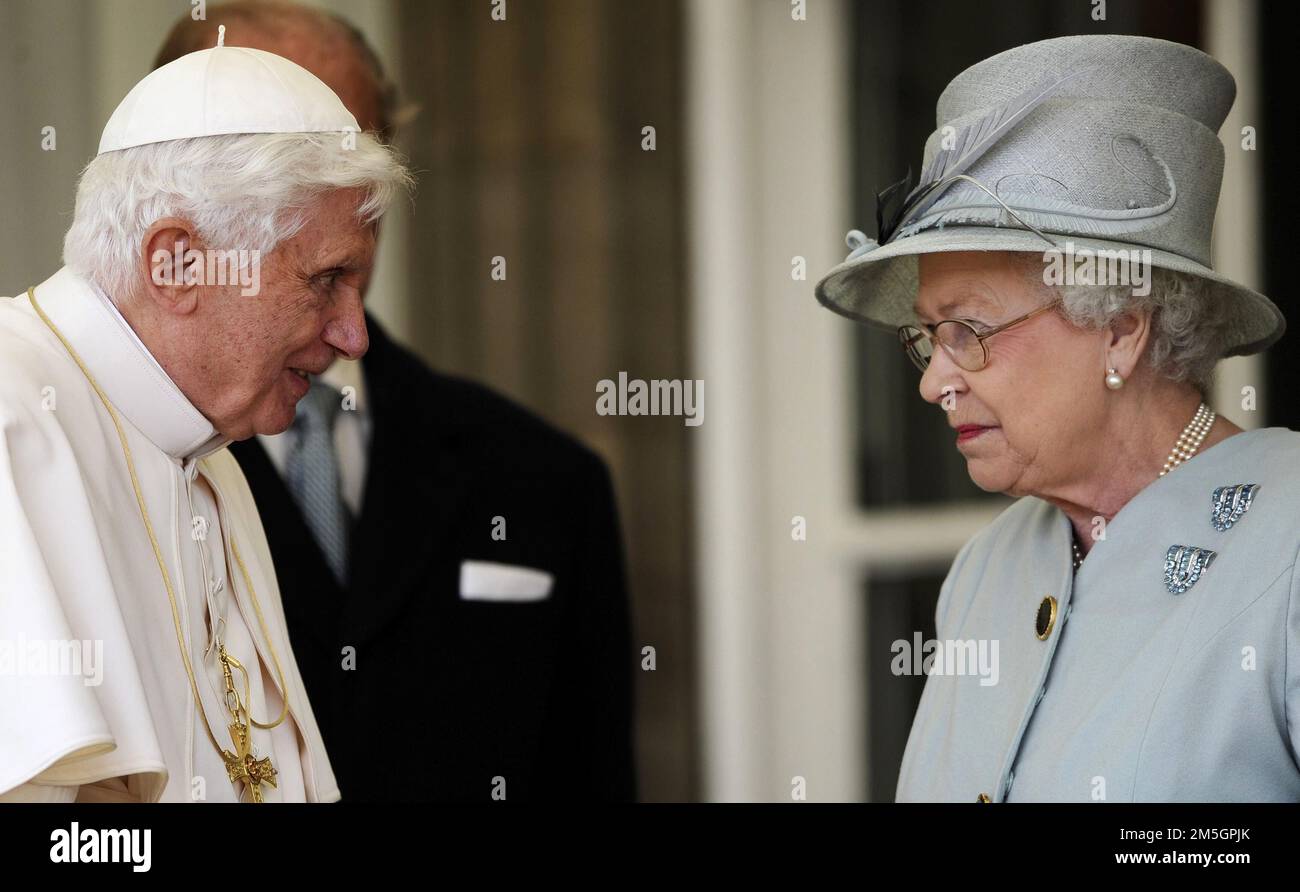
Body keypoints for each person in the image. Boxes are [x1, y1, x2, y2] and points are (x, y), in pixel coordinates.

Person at [153, 2, 638, 802]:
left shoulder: (545, 479)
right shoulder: (104, 461)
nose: (324, 210)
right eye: (279, 172)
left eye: (350, 168)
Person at [815, 34, 1298, 801]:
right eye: (928, 339)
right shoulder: (986, 569)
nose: (934, 381)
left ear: (1120, 327)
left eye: (968, 331)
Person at [0, 31, 411, 801]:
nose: (353, 335)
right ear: (177, 262)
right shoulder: (12, 420)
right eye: (326, 280)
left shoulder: (215, 465)